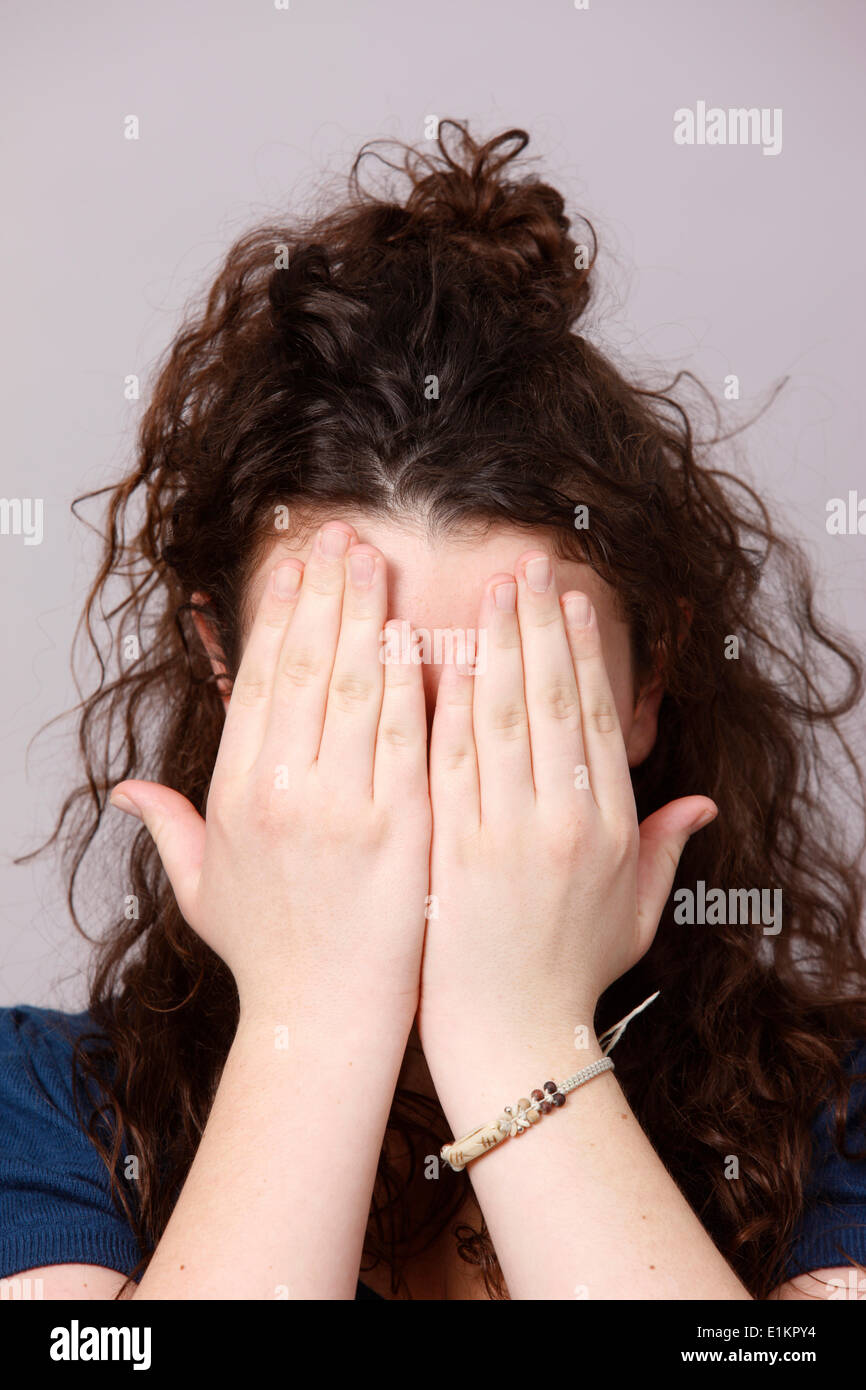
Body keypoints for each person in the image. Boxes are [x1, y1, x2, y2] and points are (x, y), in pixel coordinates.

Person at [2, 121, 865, 1302]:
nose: (436, 769)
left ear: (646, 679)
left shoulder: (842, 1118)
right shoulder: (38, 1107)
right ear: (227, 667)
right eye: (352, 688)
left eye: (517, 696)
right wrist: (314, 1017)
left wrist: (519, 1035)